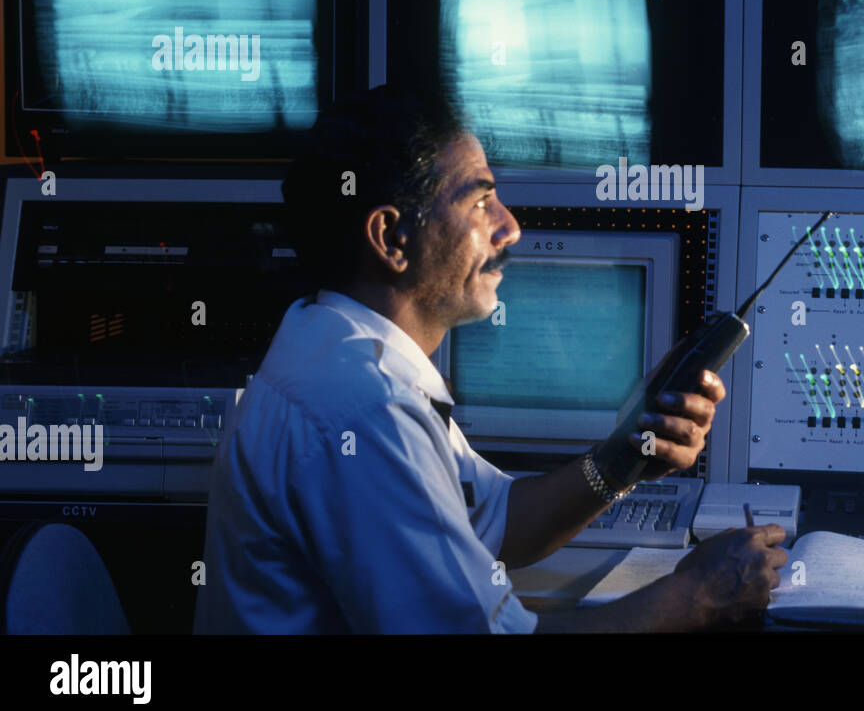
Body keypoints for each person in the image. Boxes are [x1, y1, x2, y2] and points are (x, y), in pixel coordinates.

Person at [194, 86, 787, 633]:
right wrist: (699, 595)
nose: (511, 228)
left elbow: (498, 521)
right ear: (391, 238)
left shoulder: (332, 347)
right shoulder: (366, 408)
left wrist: (625, 456)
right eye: (481, 202)